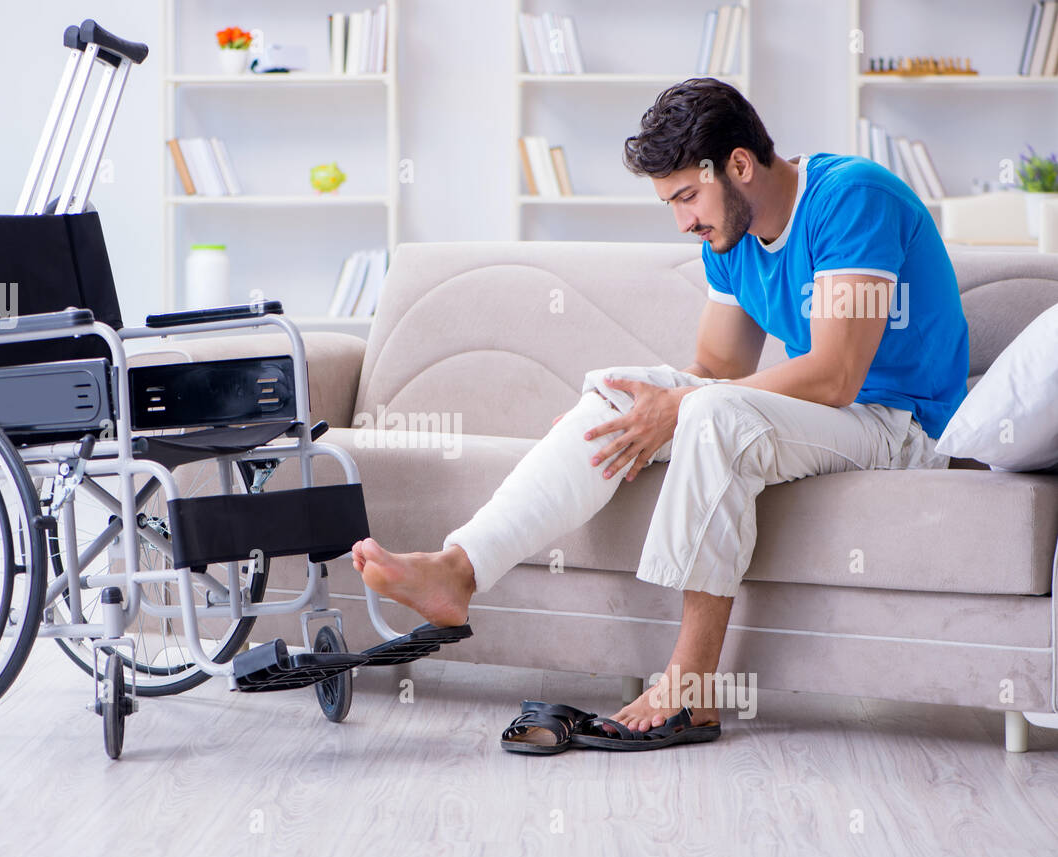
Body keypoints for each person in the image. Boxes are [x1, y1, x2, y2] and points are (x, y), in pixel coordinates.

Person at [352, 77, 969, 749]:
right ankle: (460, 568)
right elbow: (716, 368)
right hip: (829, 417)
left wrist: (685, 407)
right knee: (622, 393)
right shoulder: (728, 241)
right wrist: (628, 415)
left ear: (738, 165)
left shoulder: (851, 198)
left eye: (687, 196)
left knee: (710, 416)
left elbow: (836, 374)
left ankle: (692, 688)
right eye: (671, 202)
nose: (684, 221)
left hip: (902, 425)